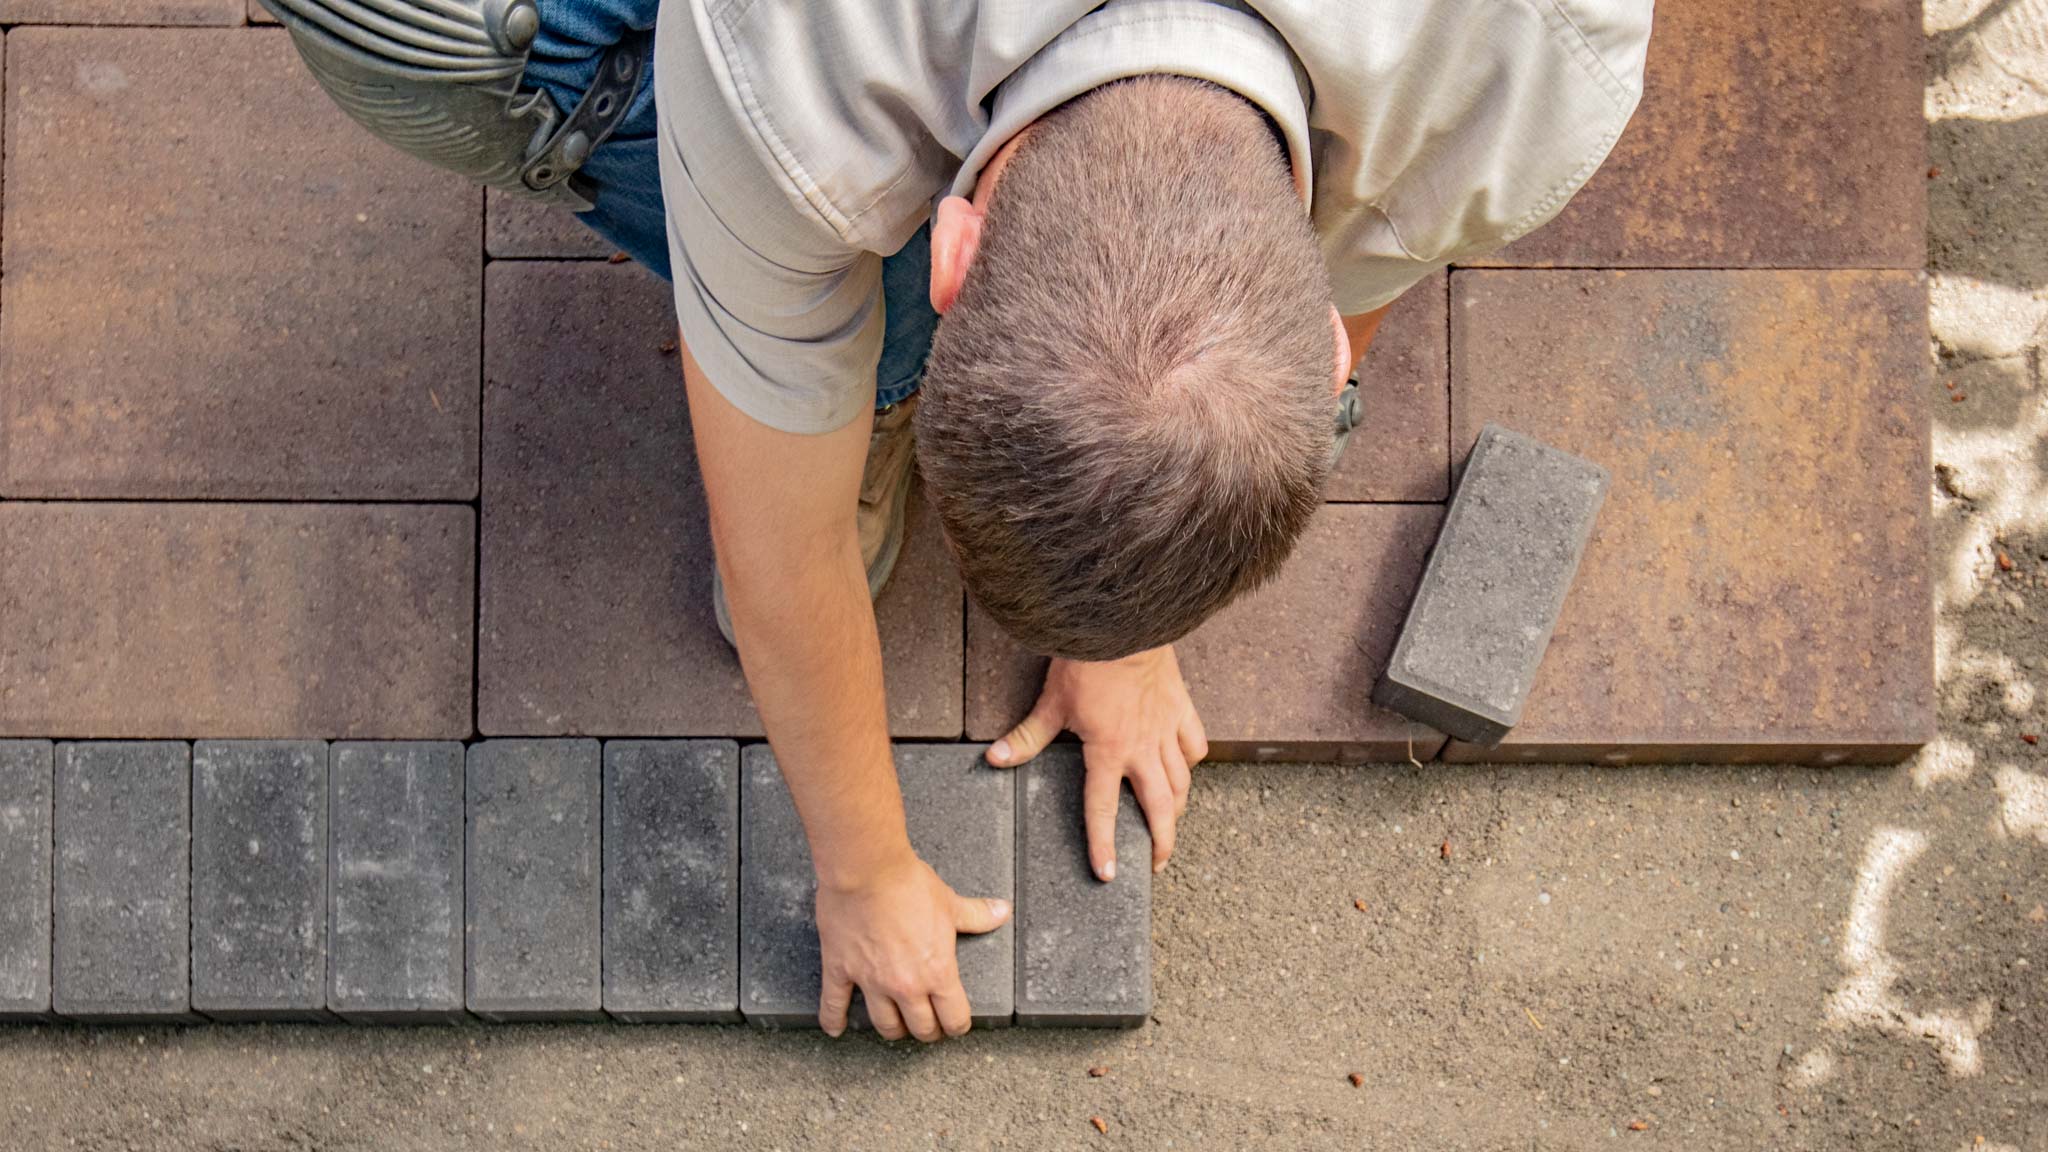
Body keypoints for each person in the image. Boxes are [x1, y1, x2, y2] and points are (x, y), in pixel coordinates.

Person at [266, 0, 1652, 1042]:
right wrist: (864, 873)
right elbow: (783, 566)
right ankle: (866, 382)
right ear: (952, 250)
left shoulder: (1533, 59)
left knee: (812, 318)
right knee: (786, 292)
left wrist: (1132, 603)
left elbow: (1345, 280)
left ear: (954, 246)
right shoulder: (789, 63)